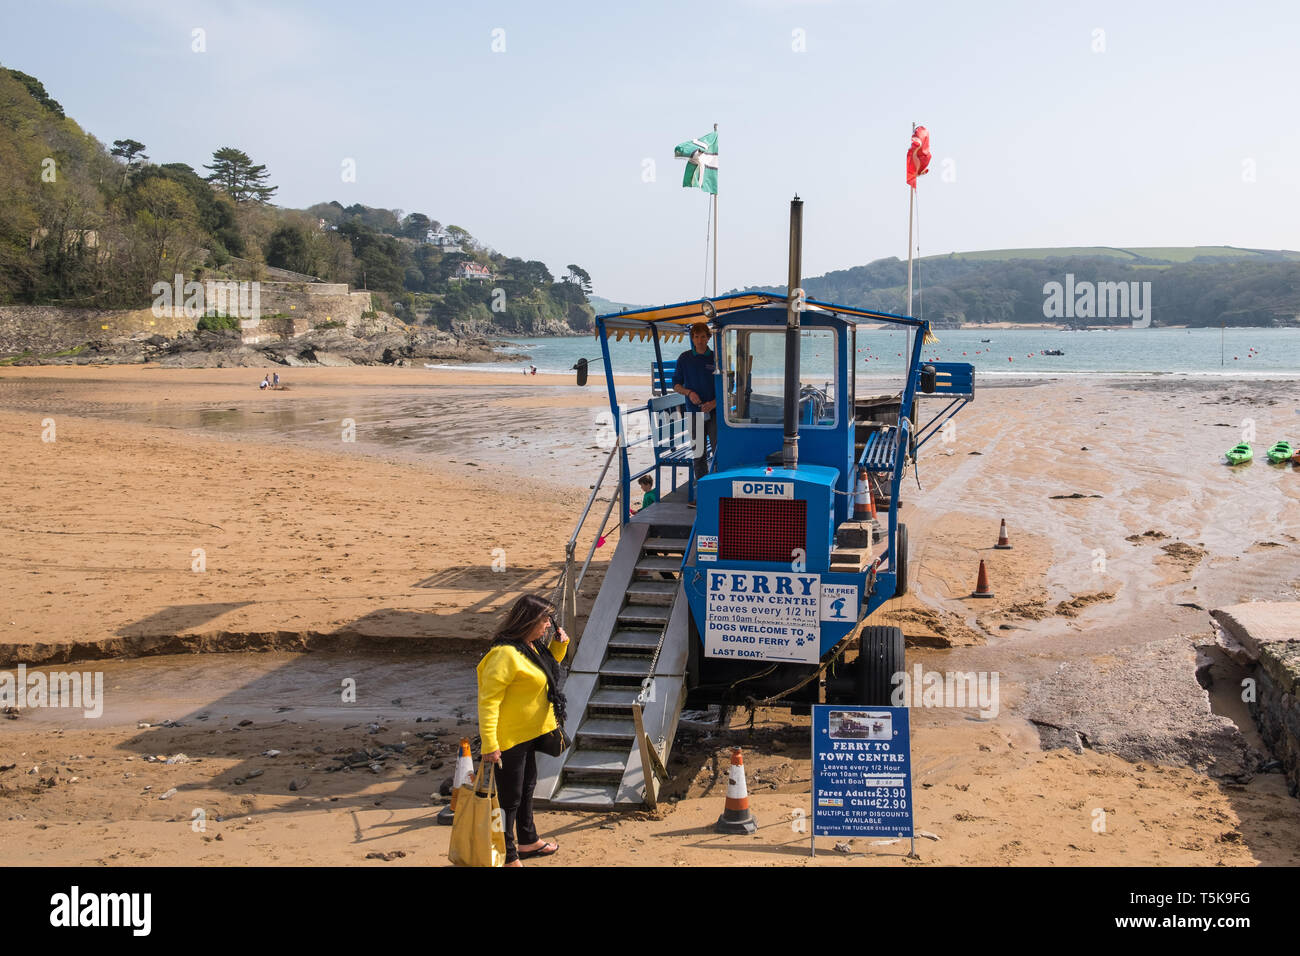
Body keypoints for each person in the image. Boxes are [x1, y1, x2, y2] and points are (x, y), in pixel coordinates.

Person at [476, 594, 569, 866]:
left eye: (550, 620)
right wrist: (490, 744)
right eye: (545, 620)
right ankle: (507, 854)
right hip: (508, 739)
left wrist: (558, 646)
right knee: (508, 799)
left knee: (527, 789)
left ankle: (528, 841)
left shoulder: (532, 646)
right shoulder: (504, 654)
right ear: (529, 620)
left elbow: (548, 671)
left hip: (530, 734)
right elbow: (488, 702)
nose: (549, 626)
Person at [672, 322, 717, 479]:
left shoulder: (716, 357)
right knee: (699, 454)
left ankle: (717, 489)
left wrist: (713, 403)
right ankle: (702, 491)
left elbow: (728, 385)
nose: (699, 340)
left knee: (718, 451)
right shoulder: (684, 358)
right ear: (692, 338)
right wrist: (689, 392)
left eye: (703, 337)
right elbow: (676, 385)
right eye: (696, 337)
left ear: (708, 338)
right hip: (694, 412)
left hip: (715, 413)